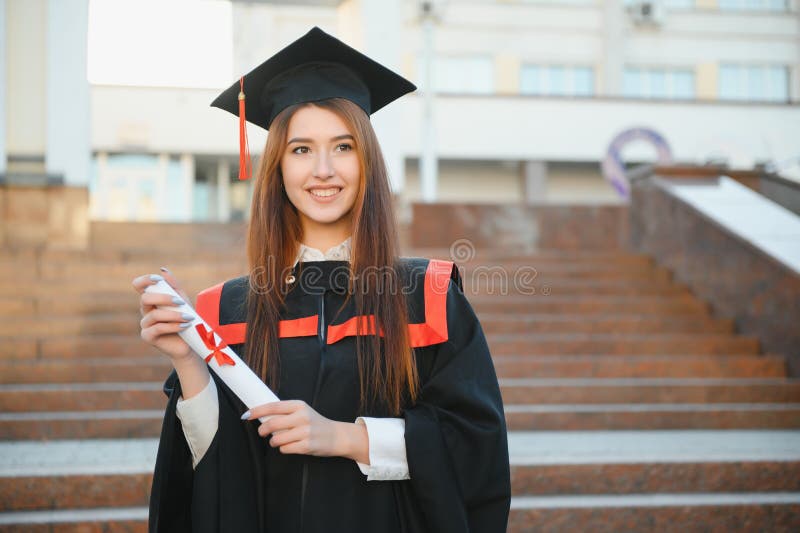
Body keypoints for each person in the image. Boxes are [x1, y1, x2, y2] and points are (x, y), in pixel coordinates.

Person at [132, 26, 510, 533]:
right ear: (278, 167)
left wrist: (344, 437)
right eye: (302, 149)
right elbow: (210, 465)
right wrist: (190, 359)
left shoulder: (428, 296)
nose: (324, 170)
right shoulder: (226, 309)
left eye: (343, 146)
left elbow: (475, 447)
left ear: (367, 161)